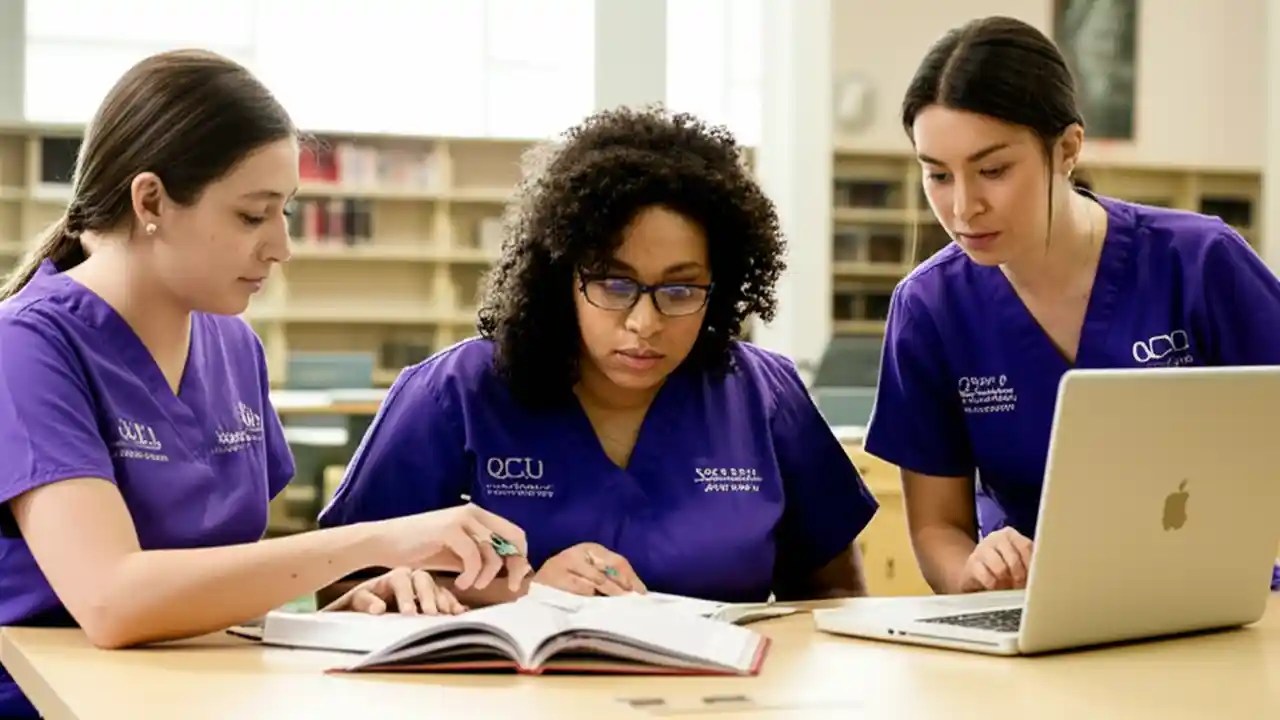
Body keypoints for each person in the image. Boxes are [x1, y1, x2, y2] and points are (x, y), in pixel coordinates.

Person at [0, 50, 530, 719]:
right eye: (254, 215)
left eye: (286, 212)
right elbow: (113, 600)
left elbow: (213, 585)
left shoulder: (232, 345)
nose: (282, 245)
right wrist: (379, 540)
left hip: (209, 694)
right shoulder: (26, 345)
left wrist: (329, 609)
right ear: (151, 200)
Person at [317, 106, 880, 610]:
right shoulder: (452, 393)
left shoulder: (767, 397)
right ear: (561, 276)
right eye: (614, 285)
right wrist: (522, 596)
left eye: (680, 291)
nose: (644, 323)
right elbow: (341, 586)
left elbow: (834, 592)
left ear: (723, 287)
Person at [864, 15, 1280, 595]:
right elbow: (939, 528)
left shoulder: (1201, 262)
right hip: (1043, 615)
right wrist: (974, 573)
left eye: (993, 170)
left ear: (1066, 148)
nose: (963, 207)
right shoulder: (930, 308)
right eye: (936, 175)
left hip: (1229, 603)